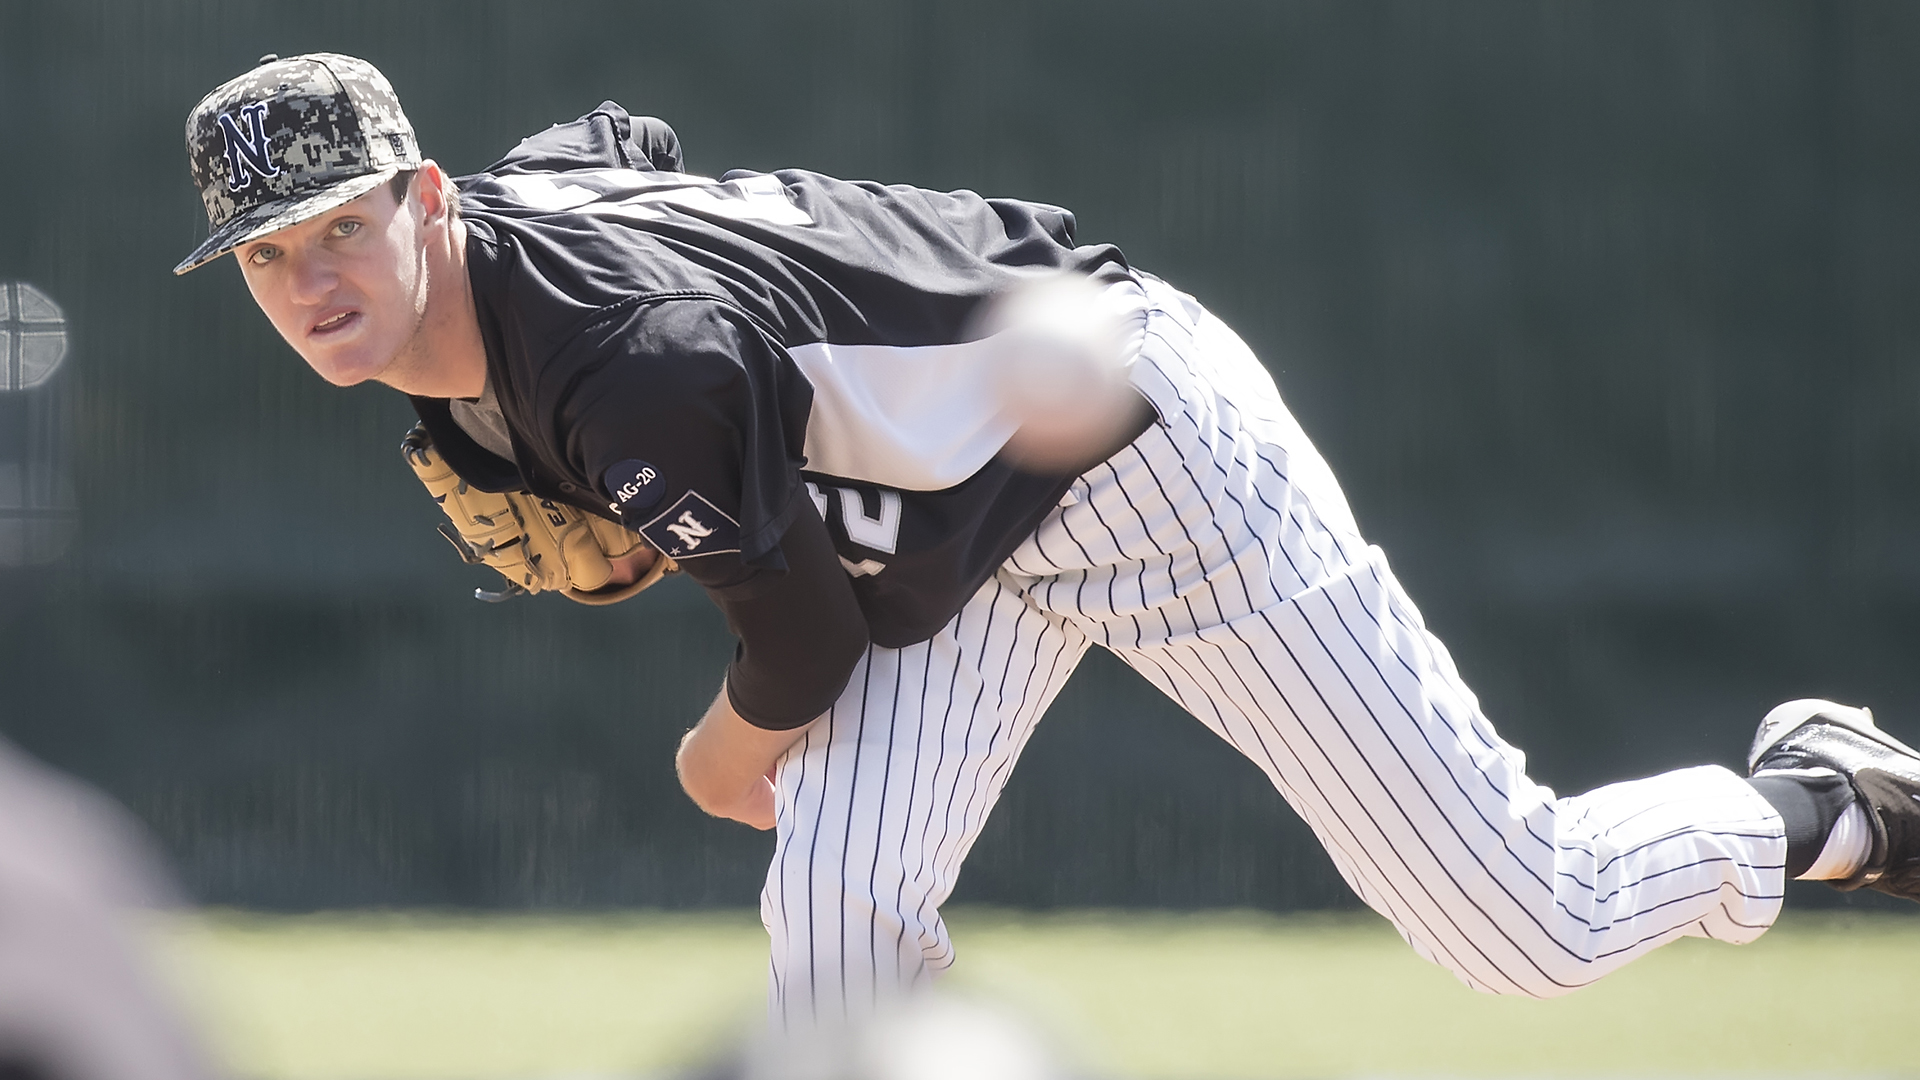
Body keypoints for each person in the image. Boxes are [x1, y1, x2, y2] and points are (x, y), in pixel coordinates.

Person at [175, 53, 1920, 1022]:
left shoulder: (623, 367)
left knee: (1519, 923)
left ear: (421, 197)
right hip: (956, 525)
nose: (308, 280)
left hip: (1137, 450)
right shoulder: (519, 236)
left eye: (335, 226)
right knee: (842, 919)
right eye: (264, 255)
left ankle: (1833, 802)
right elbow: (618, 137)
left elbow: (802, 648)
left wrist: (722, 744)